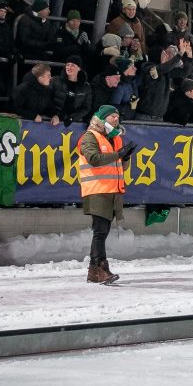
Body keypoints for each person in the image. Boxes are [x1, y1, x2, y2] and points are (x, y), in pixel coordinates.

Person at [75, 105, 131, 285]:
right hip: (96, 189)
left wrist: (126, 157)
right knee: (100, 231)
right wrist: (118, 155)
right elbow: (94, 159)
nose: (116, 119)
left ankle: (93, 271)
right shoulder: (89, 136)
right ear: (102, 119)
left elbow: (120, 166)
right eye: (112, 116)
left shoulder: (115, 139)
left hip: (111, 191)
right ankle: (102, 268)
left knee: (102, 231)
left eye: (117, 116)